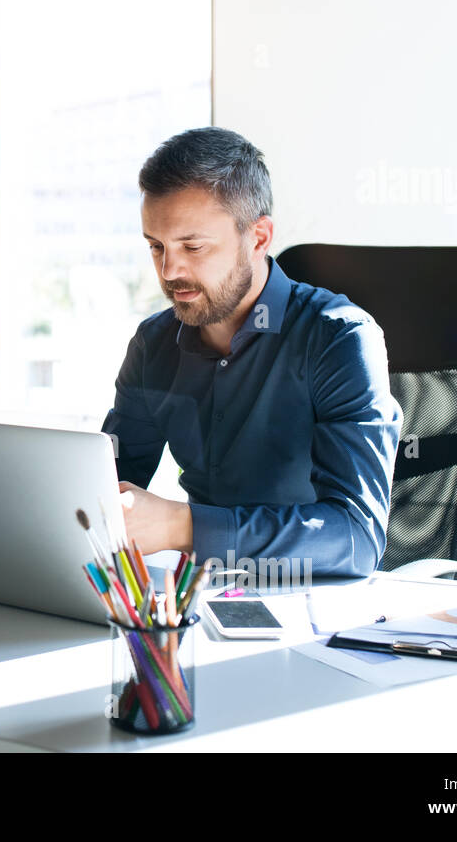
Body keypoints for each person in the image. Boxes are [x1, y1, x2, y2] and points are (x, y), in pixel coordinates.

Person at [102, 127, 402, 579]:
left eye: (193, 246)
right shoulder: (153, 345)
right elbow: (106, 487)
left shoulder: (339, 339)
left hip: (317, 599)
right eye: (156, 246)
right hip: (201, 596)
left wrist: (183, 526)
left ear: (259, 237)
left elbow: (356, 539)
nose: (169, 270)